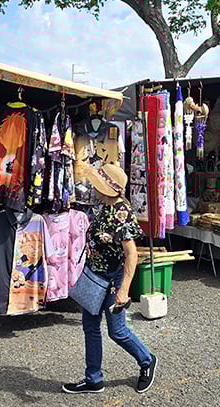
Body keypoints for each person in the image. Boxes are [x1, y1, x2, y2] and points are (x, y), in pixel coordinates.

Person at [63, 163, 157, 394]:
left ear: (106, 188)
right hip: (95, 277)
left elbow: (131, 254)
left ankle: (147, 360)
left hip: (112, 280)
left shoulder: (121, 213)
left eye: (97, 184)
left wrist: (123, 290)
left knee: (117, 331)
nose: (93, 188)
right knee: (90, 327)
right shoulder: (105, 205)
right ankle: (93, 378)